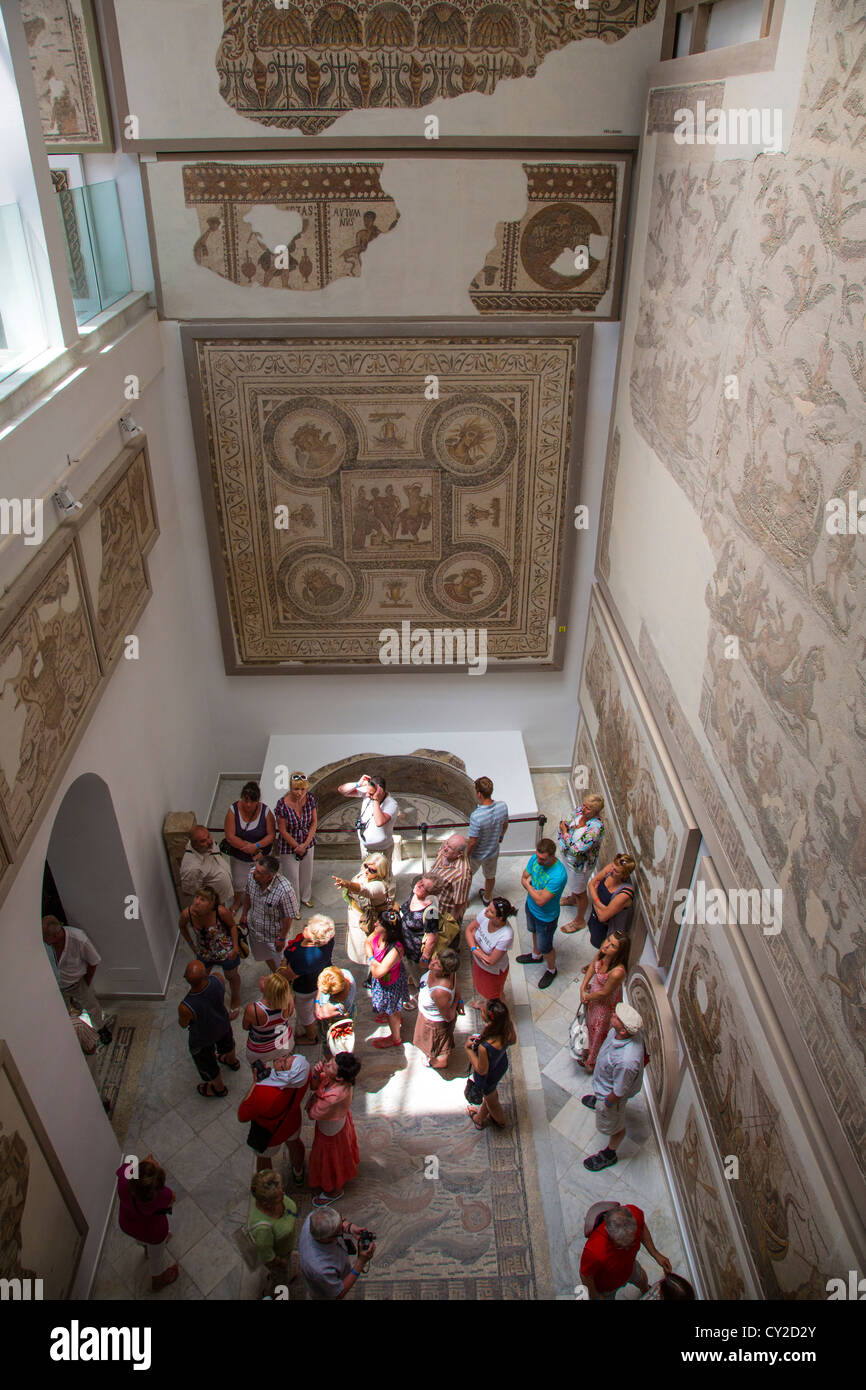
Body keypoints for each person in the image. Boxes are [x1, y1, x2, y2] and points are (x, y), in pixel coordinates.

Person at [581, 1001, 646, 1171]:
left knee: (614, 1126)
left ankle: (609, 1154)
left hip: (610, 1096)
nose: (613, 1015)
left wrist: (606, 1104)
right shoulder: (622, 1032)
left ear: (624, 1030)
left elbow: (618, 1090)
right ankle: (598, 1099)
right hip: (604, 1083)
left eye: (617, 1017)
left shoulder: (627, 1061)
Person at [42, 915, 114, 1045]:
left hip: (77, 982)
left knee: (92, 1006)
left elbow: (93, 961)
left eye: (47, 939)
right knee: (60, 1010)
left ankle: (100, 1028)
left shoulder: (78, 939)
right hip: (56, 985)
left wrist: (86, 983)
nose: (45, 942)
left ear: (56, 935)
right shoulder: (45, 944)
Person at [237, 1052, 311, 1179]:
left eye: (283, 1065)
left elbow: (242, 1116)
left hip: (270, 1134)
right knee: (294, 1144)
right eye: (287, 1057)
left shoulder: (264, 1093)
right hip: (292, 1121)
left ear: (285, 1075)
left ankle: (268, 1185)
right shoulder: (304, 1072)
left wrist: (255, 1083)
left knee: (264, 1158)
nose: (279, 1058)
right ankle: (298, 1173)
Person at [579, 1203, 671, 1299]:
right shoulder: (594, 1250)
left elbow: (642, 1227)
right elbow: (585, 1275)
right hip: (607, 1285)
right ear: (610, 1235)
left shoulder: (634, 1213)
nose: (628, 1249)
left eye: (631, 1242)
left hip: (629, 1267)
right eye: (622, 1245)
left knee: (642, 1278)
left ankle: (645, 1290)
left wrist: (655, 1254)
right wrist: (595, 1296)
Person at [115, 1155, 178, 1292]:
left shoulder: (123, 1183)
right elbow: (172, 1200)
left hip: (128, 1225)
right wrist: (151, 1167)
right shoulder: (163, 1195)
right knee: (156, 1258)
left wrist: (144, 1164)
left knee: (141, 1240)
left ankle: (145, 1249)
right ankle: (158, 1281)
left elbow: (128, 1163)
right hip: (153, 1233)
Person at [178, 959, 240, 1096]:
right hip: (222, 1024)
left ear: (185, 978)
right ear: (206, 974)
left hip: (203, 1037)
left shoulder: (185, 1006)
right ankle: (232, 1061)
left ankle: (218, 1088)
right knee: (228, 1043)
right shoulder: (218, 980)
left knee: (207, 1062)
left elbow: (183, 1024)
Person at [178, 886, 242, 1018]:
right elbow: (182, 926)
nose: (197, 902)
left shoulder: (220, 912)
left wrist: (235, 947)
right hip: (204, 951)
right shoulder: (188, 914)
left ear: (211, 903)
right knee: (201, 977)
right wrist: (191, 944)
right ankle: (206, 1001)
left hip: (225, 949)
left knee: (231, 975)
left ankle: (235, 998)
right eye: (196, 897)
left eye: (202, 899)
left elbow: (232, 926)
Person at [306, 1053, 361, 1205]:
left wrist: (314, 1098)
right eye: (331, 1060)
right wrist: (317, 1075)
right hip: (337, 1123)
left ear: (339, 1078)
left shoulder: (334, 1097)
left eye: (332, 1065)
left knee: (330, 1161)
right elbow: (314, 1085)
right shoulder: (338, 1081)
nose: (328, 1064)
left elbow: (312, 1113)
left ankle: (333, 1191)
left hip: (331, 1133)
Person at [515, 838, 569, 989]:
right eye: (537, 856)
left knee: (546, 946)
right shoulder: (535, 858)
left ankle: (551, 969)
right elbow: (524, 877)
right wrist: (531, 888)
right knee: (533, 931)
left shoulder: (558, 875)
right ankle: (535, 956)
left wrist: (528, 885)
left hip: (546, 916)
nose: (538, 860)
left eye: (542, 859)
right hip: (531, 907)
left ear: (552, 856)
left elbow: (541, 901)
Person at [576, 929, 630, 1071]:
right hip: (594, 996)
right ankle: (586, 1050)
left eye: (612, 945)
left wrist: (587, 996)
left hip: (604, 1006)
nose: (606, 946)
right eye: (608, 940)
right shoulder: (603, 953)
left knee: (598, 1031)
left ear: (619, 952)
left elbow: (605, 993)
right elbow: (593, 966)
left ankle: (592, 1061)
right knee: (588, 1024)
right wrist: (583, 986)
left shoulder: (618, 971)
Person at [298, 1207, 375, 1299]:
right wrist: (361, 1262)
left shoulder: (314, 1218)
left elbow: (338, 1223)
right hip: (324, 1290)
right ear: (328, 1238)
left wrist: (349, 1227)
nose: (343, 1225)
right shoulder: (321, 1268)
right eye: (339, 1231)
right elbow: (338, 1294)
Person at [281, 915, 335, 1045]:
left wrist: (283, 963)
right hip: (320, 978)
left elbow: (287, 974)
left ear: (314, 939)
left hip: (305, 988)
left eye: (309, 928)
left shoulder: (304, 957)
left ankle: (311, 1037)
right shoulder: (328, 941)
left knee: (305, 1013)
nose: (306, 927)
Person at [240, 854, 299, 971]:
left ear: (269, 877)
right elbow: (248, 894)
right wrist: (244, 914)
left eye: (259, 873)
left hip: (274, 936)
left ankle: (284, 981)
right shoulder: (252, 875)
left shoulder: (285, 890)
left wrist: (282, 938)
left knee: (283, 964)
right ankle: (275, 972)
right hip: (256, 931)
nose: (254, 874)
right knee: (265, 956)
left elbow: (289, 916)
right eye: (255, 869)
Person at [333, 853, 393, 967]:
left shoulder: (379, 886)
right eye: (366, 866)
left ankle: (373, 971)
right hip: (357, 916)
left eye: (372, 870)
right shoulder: (365, 874)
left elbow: (364, 890)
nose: (366, 871)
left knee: (369, 949)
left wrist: (347, 884)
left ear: (380, 872)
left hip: (369, 922)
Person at [223, 781, 276, 910]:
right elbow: (230, 836)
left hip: (261, 856)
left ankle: (261, 900)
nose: (248, 804)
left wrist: (256, 846)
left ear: (257, 801)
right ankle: (237, 902)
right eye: (245, 800)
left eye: (252, 801)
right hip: (240, 856)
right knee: (239, 881)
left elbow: (271, 835)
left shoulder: (266, 812)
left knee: (262, 878)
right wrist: (248, 847)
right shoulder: (233, 811)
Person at [465, 998, 516, 1130]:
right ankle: (480, 1117)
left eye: (483, 1010)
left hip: (487, 1077)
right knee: (490, 1096)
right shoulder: (507, 1027)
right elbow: (513, 1040)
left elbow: (482, 1070)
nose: (481, 1008)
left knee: (492, 1101)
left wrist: (468, 1050)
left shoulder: (485, 1047)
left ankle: (500, 1121)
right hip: (500, 1065)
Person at [337, 772, 399, 881]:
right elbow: (342, 790)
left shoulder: (391, 804)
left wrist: (376, 799)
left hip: (383, 849)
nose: (368, 796)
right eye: (367, 793)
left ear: (380, 791)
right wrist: (358, 784)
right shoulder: (368, 792)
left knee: (383, 876)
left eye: (371, 794)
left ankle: (387, 895)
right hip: (366, 847)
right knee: (368, 874)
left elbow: (379, 822)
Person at [558, 794, 605, 933]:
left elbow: (577, 850)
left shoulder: (595, 828)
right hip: (569, 858)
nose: (583, 809)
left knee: (580, 892)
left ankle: (579, 920)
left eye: (588, 808)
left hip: (580, 866)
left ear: (595, 811)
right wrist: (566, 831)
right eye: (584, 805)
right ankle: (572, 899)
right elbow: (565, 821)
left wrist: (565, 832)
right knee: (572, 885)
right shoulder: (579, 811)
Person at [365, 908, 409, 1049]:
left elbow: (379, 973)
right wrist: (373, 960)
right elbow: (367, 943)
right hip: (383, 981)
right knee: (390, 1008)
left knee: (393, 1011)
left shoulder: (395, 949)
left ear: (388, 930)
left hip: (391, 984)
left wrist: (372, 962)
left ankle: (395, 1037)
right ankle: (391, 1014)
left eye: (380, 923)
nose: (376, 924)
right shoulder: (378, 933)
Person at [246, 1169, 300, 1283]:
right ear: (266, 1204)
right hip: (280, 1257)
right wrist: (280, 1263)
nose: (283, 1195)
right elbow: (267, 1255)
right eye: (277, 1197)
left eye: (281, 1190)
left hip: (286, 1249)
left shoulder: (268, 1186)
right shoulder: (262, 1229)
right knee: (280, 1280)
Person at [275, 771, 318, 912]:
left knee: (307, 872)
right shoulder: (282, 804)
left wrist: (305, 844)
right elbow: (282, 830)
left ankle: (305, 897)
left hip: (307, 841)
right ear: (290, 788)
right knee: (292, 876)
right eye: (296, 789)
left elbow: (314, 822)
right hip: (289, 844)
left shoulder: (310, 799)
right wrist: (297, 846)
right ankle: (294, 905)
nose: (300, 793)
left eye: (302, 789)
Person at [465, 896, 517, 1009]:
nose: (486, 911)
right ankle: (487, 1003)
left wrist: (474, 947)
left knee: (495, 996)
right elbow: (469, 930)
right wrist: (479, 951)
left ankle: (500, 1015)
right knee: (483, 989)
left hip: (493, 972)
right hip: (479, 964)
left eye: (491, 911)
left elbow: (490, 961)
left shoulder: (506, 935)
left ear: (499, 918)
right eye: (488, 907)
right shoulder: (485, 914)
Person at [413, 947, 461, 1069]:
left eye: (438, 965)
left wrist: (456, 1002)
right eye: (435, 958)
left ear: (445, 971)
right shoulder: (447, 972)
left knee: (439, 1050)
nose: (432, 963)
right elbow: (457, 988)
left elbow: (449, 1016)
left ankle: (436, 1062)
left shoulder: (440, 991)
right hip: (426, 1016)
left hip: (435, 1024)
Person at [466, 776, 509, 904]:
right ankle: (487, 897)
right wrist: (500, 837)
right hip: (492, 851)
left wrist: (465, 856)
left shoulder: (476, 816)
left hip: (477, 854)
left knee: (467, 876)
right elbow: (505, 824)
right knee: (490, 876)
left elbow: (473, 841)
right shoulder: (502, 806)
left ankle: (464, 900)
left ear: (479, 794)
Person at [399, 874, 441, 1002]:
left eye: (423, 886)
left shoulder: (431, 911)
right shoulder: (414, 894)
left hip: (417, 953)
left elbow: (433, 937)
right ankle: (414, 979)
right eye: (420, 882)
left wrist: (425, 958)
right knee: (410, 968)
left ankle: (422, 995)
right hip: (406, 945)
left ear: (429, 894)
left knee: (420, 976)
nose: (418, 885)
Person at [243, 970, 294, 1068]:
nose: (263, 978)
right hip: (283, 1042)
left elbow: (246, 1027)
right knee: (281, 1065)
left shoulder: (254, 1010)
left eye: (266, 981)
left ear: (267, 990)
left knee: (259, 1072)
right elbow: (290, 1014)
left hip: (260, 1050)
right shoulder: (289, 1000)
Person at [586, 853, 636, 949]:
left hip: (607, 930)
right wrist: (599, 904)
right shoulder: (612, 868)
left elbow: (602, 917)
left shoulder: (624, 893)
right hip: (594, 917)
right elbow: (591, 884)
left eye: (616, 871)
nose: (611, 871)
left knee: (601, 948)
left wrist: (594, 895)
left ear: (624, 875)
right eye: (612, 867)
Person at [179, 824, 234, 908]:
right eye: (203, 841)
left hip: (220, 897)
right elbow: (191, 892)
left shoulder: (206, 845)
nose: (209, 842)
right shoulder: (192, 868)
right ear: (194, 845)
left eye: (209, 836)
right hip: (211, 905)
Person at [429, 834, 473, 926]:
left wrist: (449, 924)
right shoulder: (445, 851)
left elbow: (459, 904)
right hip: (432, 903)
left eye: (450, 848)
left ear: (459, 854)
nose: (444, 848)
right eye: (446, 843)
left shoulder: (461, 875)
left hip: (443, 913)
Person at [315, 966, 357, 1053]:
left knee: (331, 1046)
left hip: (334, 1025)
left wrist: (316, 1003)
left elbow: (320, 1014)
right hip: (350, 1012)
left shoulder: (334, 1005)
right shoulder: (346, 974)